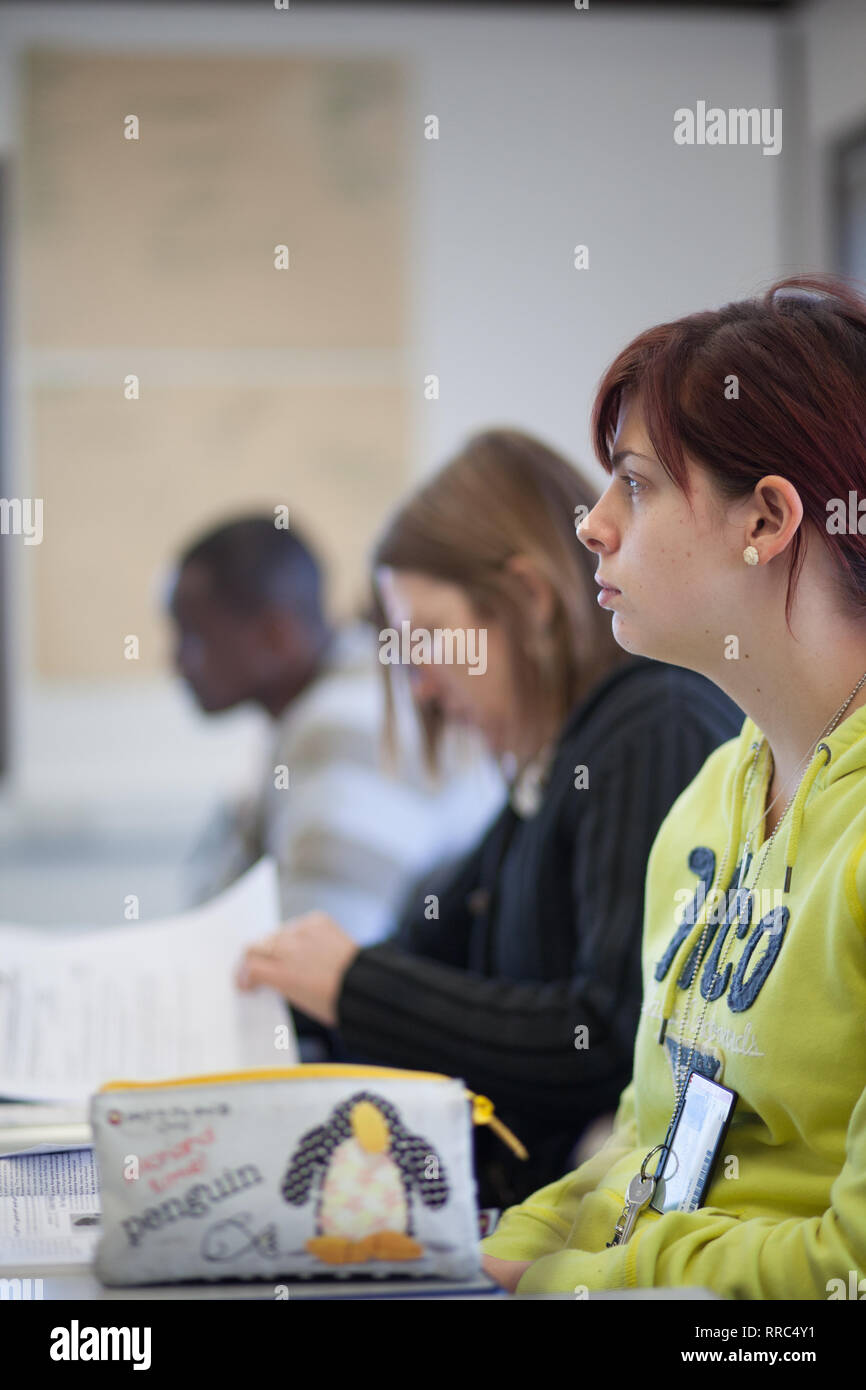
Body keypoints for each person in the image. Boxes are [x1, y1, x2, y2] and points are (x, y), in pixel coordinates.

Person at [480, 273, 866, 1298]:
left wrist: (590, 1274)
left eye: (636, 484)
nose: (592, 524)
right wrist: (498, 1241)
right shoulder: (707, 796)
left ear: (766, 519)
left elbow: (852, 1267)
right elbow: (651, 1149)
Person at [237, 432, 743, 1208]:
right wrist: (303, 998)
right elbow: (434, 963)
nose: (426, 693)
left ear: (531, 601)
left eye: (432, 642)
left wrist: (357, 985)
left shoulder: (651, 726)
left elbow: (612, 1034)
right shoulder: (549, 771)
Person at [168, 514, 502, 948]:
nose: (175, 662)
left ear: (275, 636)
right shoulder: (328, 702)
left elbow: (318, 955)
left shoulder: (345, 725)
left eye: (193, 637)